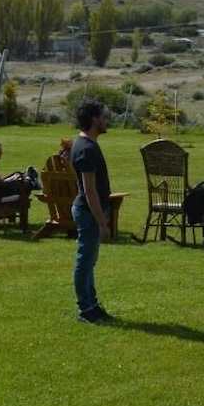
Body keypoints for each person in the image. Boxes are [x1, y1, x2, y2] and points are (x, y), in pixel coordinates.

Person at [70, 100, 114, 324]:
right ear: (94, 119)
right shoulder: (86, 149)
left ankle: (92, 304)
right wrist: (102, 223)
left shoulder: (87, 144)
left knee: (89, 261)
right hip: (89, 213)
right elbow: (89, 191)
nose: (107, 120)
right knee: (85, 261)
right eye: (104, 116)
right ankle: (85, 309)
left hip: (91, 212)